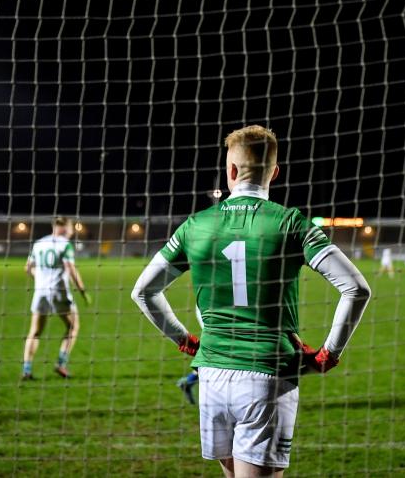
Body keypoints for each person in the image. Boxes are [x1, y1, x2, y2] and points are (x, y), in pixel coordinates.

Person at [131, 125, 371, 477]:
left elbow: (144, 292)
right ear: (274, 172)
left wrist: (184, 341)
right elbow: (356, 288)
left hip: (211, 374)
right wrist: (327, 355)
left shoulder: (194, 225)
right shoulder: (290, 223)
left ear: (230, 171)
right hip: (266, 377)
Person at [23, 216, 88, 380]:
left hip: (41, 292)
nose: (72, 232)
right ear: (65, 228)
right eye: (71, 228)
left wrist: (40, 279)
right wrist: (82, 290)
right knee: (73, 326)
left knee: (35, 331)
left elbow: (27, 268)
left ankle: (27, 370)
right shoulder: (65, 245)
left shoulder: (39, 243)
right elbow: (71, 269)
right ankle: (61, 363)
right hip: (59, 292)